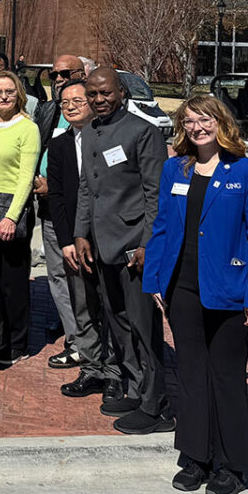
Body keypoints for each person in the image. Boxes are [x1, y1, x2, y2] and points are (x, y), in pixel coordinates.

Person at [144, 96, 248, 494]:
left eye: (205, 119)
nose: (197, 127)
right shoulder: (174, 168)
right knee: (192, 375)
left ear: (221, 122)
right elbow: (162, 227)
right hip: (182, 289)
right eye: (190, 120)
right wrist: (155, 281)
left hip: (230, 293)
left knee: (227, 378)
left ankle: (233, 465)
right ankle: (196, 457)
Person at [74, 67, 170, 435]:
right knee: (118, 323)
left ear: (121, 93)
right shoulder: (91, 132)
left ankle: (157, 404)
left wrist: (148, 244)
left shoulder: (142, 132)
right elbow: (87, 187)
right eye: (93, 95)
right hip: (102, 246)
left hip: (133, 248)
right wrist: (81, 232)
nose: (99, 100)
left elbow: (154, 195)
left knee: (145, 328)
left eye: (106, 93)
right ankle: (133, 387)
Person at [45, 81, 121, 398]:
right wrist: (66, 241)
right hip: (75, 242)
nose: (72, 106)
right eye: (65, 102)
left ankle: (117, 372)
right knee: (83, 309)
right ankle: (91, 369)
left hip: (110, 239)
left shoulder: (111, 138)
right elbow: (57, 198)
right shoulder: (60, 145)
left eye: (79, 99)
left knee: (114, 309)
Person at [0, 70, 40, 366]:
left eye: (9, 92)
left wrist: (12, 217)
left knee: (12, 280)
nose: (3, 97)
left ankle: (17, 343)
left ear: (19, 95)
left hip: (10, 207)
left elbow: (26, 178)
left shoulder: (27, 128)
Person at [32, 55, 89, 366]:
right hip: (51, 210)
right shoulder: (48, 110)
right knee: (57, 276)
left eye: (66, 74)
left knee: (81, 279)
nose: (58, 79)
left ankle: (87, 339)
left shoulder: (94, 120)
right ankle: (75, 338)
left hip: (84, 215)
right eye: (53, 74)